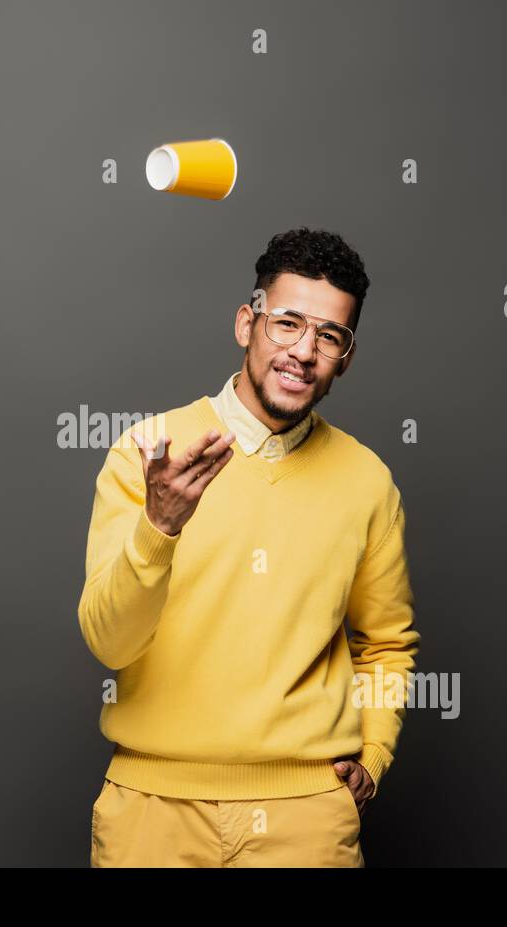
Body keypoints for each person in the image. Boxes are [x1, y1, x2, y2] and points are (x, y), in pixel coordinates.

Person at [78, 227, 420, 867]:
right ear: (247, 323)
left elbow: (386, 643)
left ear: (345, 357)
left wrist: (373, 752)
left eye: (329, 336)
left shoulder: (367, 481)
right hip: (151, 810)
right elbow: (109, 642)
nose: (303, 352)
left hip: (307, 817)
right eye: (287, 323)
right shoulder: (147, 452)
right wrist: (159, 527)